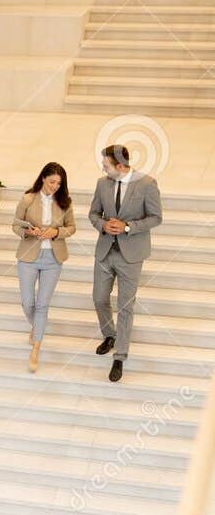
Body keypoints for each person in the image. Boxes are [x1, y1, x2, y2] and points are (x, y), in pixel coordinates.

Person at [89, 144, 163, 383]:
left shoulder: (147, 184)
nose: (103, 168)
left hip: (131, 255)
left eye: (106, 165)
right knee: (99, 298)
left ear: (120, 166)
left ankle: (119, 356)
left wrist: (128, 227)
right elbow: (93, 213)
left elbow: (156, 217)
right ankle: (109, 335)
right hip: (105, 251)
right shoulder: (102, 184)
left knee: (125, 306)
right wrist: (102, 225)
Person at [12, 161, 75, 373]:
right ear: (43, 179)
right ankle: (36, 326)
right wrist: (28, 232)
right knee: (27, 302)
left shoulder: (65, 202)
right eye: (52, 182)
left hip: (53, 259)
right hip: (29, 255)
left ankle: (36, 347)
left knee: (42, 305)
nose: (55, 186)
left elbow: (72, 228)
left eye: (59, 183)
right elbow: (15, 224)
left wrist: (56, 233)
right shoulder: (28, 199)